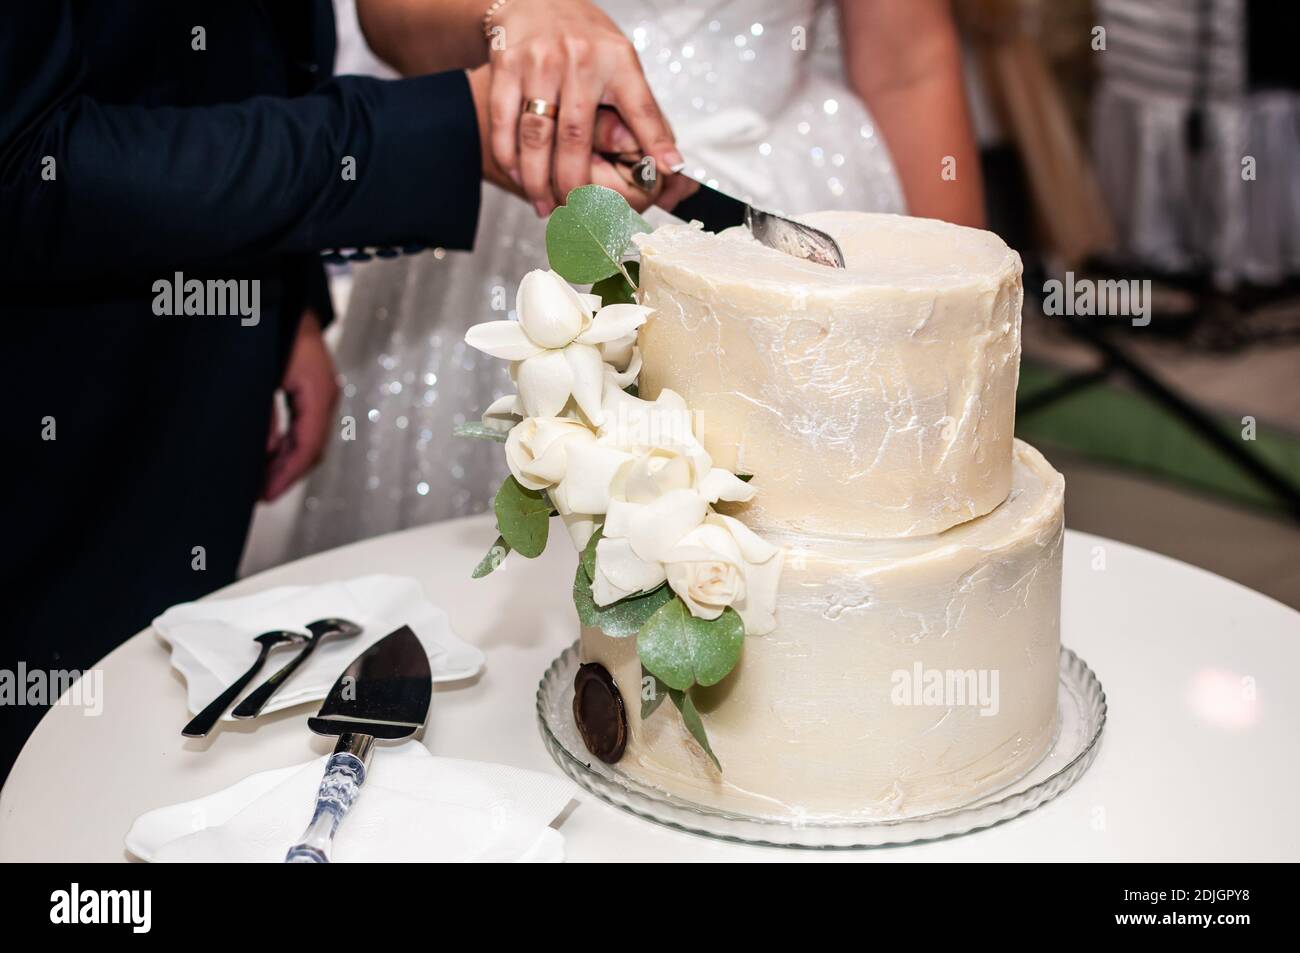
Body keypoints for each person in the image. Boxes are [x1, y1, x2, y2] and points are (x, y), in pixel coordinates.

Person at [0, 0, 680, 783]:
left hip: (201, 366)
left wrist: (289, 309)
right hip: (48, 418)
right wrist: (444, 127)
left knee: (160, 749)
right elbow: (27, 162)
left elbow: (225, 59)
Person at [287, 0, 984, 558]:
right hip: (531, 198)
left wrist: (969, 335)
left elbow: (909, 63)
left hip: (787, 207)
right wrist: (507, 17)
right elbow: (388, 16)